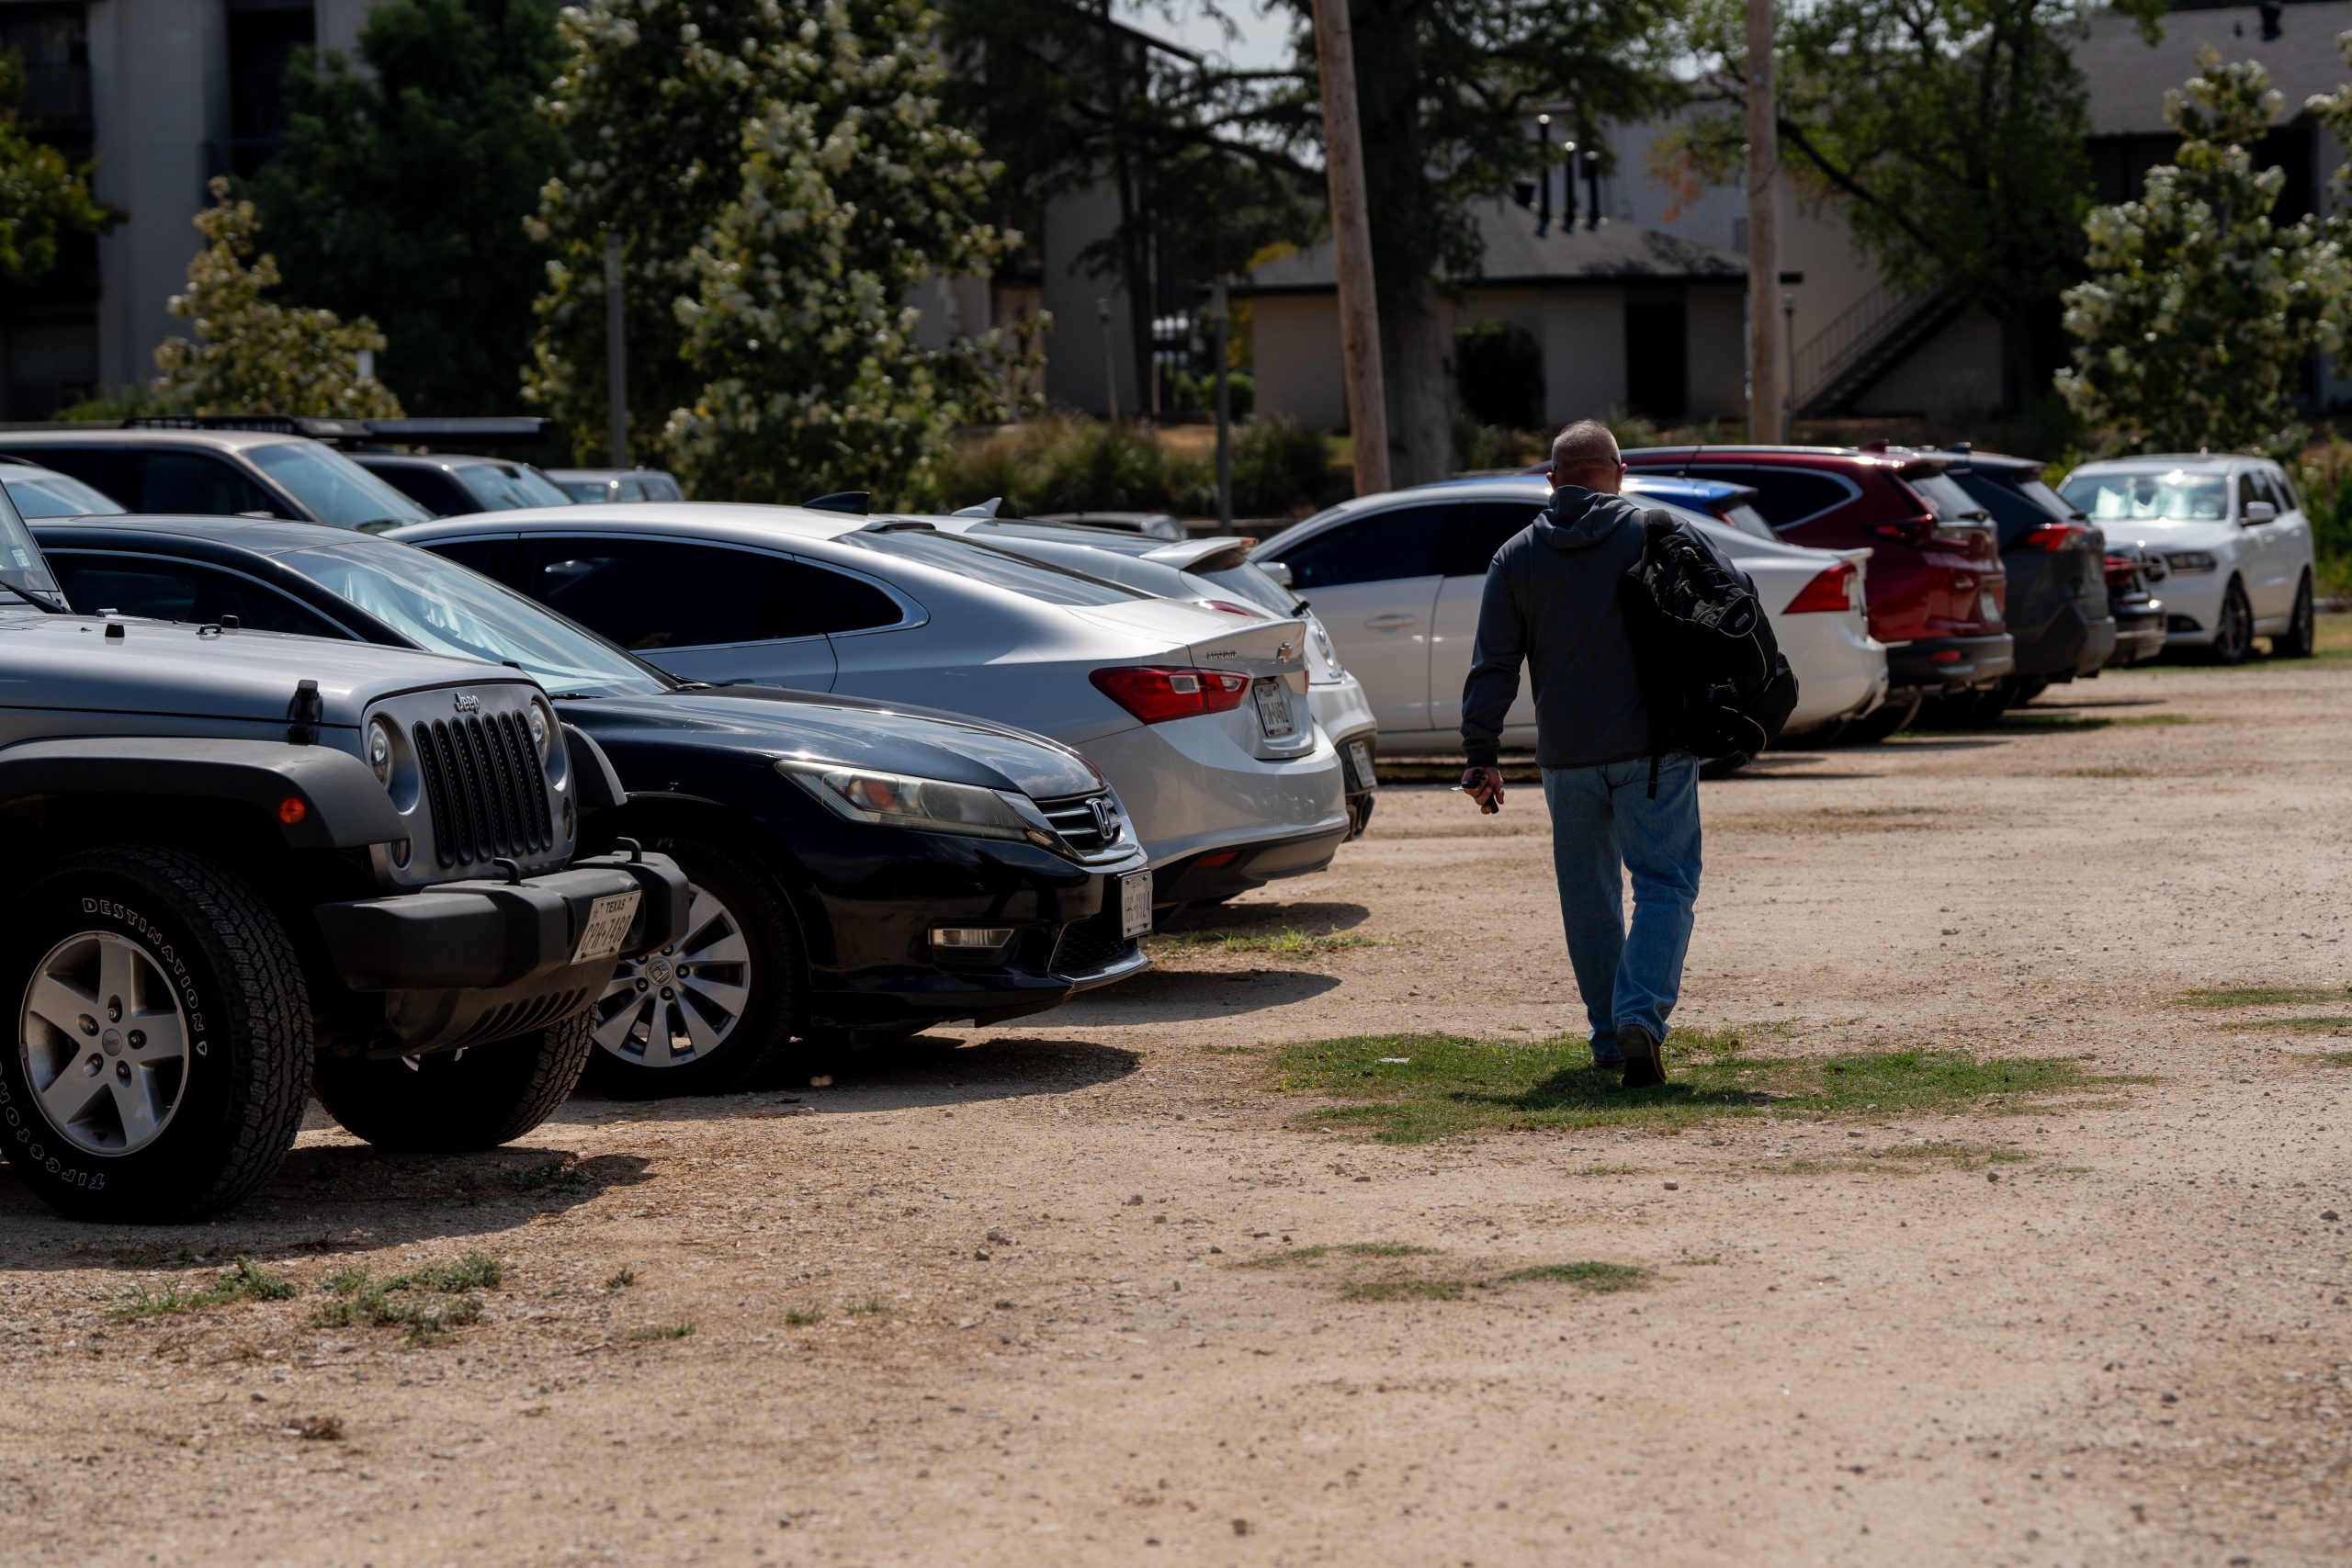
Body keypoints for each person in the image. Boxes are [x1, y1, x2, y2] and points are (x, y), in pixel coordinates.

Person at [1458, 419, 1704, 1089]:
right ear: (1619, 473)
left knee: (1589, 898)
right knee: (1665, 884)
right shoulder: (1655, 531)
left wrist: (1481, 753)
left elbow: (1493, 667)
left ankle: (1607, 1038)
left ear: (1551, 481)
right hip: (1653, 748)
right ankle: (1639, 1019)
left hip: (1566, 756)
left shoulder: (1515, 557)